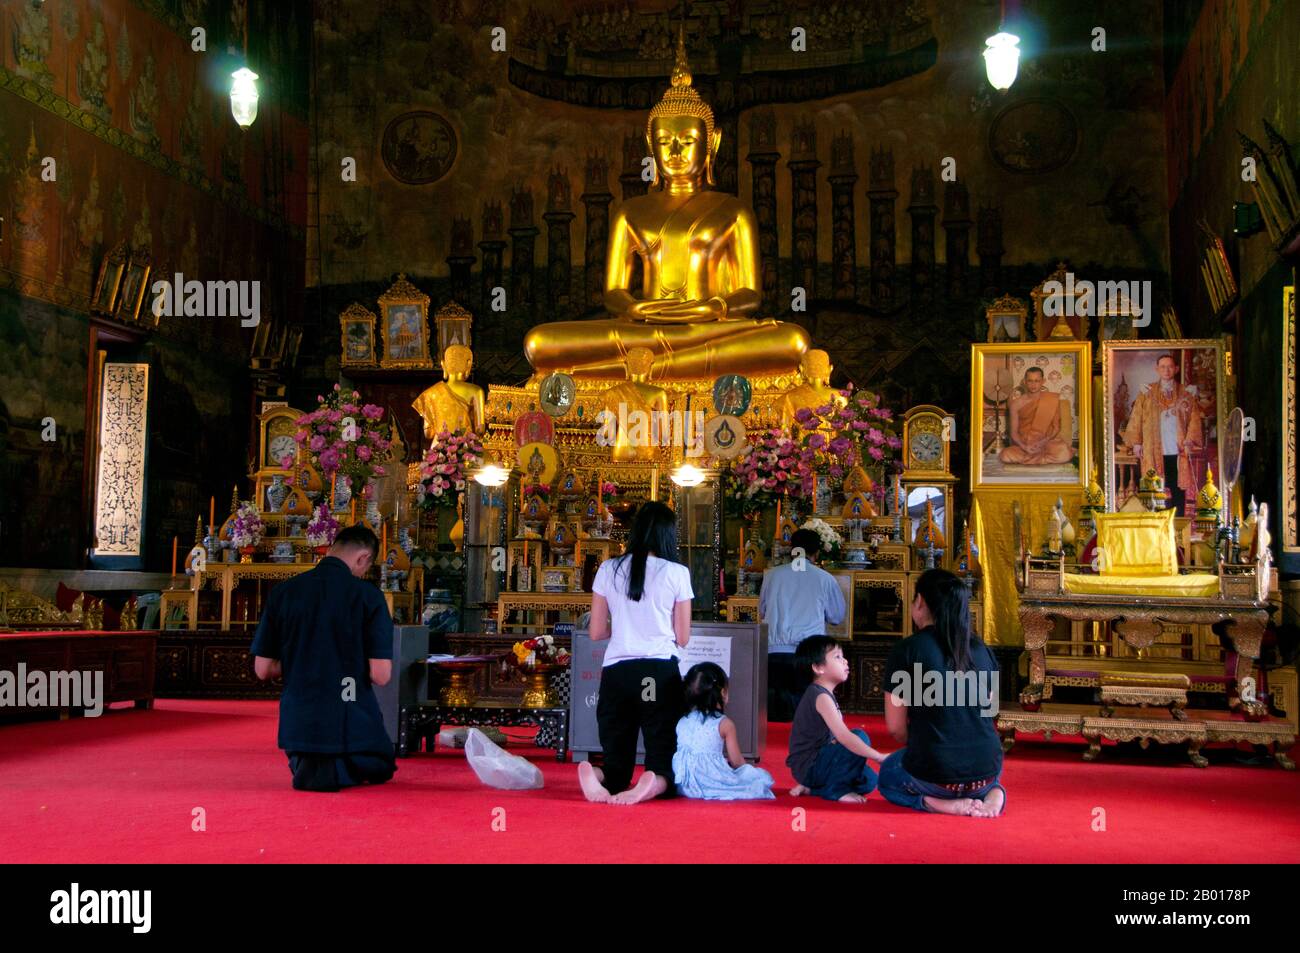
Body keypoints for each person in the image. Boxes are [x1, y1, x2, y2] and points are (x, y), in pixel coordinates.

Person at [251, 525, 396, 792]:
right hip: (349, 717)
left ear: (331, 549)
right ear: (363, 558)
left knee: (315, 758)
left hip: (299, 731)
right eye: (366, 566)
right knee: (382, 762)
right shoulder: (368, 596)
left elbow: (263, 668)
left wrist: (304, 658)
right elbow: (380, 674)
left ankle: (311, 766)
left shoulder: (284, 592)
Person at [579, 501, 693, 805]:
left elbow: (596, 632)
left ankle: (600, 776)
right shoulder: (677, 573)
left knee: (617, 756)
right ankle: (653, 778)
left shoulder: (608, 568)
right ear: (669, 534)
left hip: (617, 672)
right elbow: (682, 637)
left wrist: (626, 628)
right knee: (660, 745)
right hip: (655, 673)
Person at [879, 568, 1006, 817]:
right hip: (986, 768)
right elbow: (991, 711)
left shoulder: (907, 650)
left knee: (888, 773)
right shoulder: (983, 651)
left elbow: (895, 729)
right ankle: (994, 791)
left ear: (920, 602)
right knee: (979, 766)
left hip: (936, 774)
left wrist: (927, 746)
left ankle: (937, 802)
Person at [787, 636, 888, 802]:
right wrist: (878, 756)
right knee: (858, 736)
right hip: (810, 766)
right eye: (837, 657)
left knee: (869, 781)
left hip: (817, 764)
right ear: (818, 667)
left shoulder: (824, 694)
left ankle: (814, 789)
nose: (845, 661)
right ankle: (836, 791)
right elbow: (845, 737)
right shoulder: (820, 696)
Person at [759, 529, 846, 721]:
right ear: (817, 552)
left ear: (791, 549)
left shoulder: (772, 575)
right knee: (803, 713)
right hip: (807, 657)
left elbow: (762, 611)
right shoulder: (824, 578)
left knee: (774, 713)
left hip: (774, 653)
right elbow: (837, 616)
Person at [672, 662, 775, 800]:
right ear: (722, 692)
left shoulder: (682, 721)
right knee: (758, 779)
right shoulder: (724, 724)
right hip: (709, 780)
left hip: (684, 784)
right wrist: (747, 772)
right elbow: (736, 761)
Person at [1122, 352, 1203, 515]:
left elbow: (1194, 419)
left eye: (1170, 367)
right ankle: (1156, 525)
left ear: (1176, 369)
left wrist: (1189, 441)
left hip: (1177, 450)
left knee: (1177, 488)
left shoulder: (1186, 393)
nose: (1166, 370)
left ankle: (1178, 524)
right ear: (1157, 369)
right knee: (1154, 488)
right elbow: (1136, 416)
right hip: (1153, 449)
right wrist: (1137, 442)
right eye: (1163, 367)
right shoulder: (1147, 392)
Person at [998, 366, 1072, 465]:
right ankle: (1040, 459)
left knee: (1064, 452)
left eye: (1037, 381)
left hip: (1047, 442)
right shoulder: (1016, 404)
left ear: (1043, 381)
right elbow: (1014, 433)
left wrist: (1042, 443)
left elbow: (1056, 428)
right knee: (1005, 455)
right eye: (1030, 381)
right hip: (1025, 444)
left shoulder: (1051, 399)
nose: (1033, 384)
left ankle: (1031, 459)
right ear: (1025, 381)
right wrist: (1025, 447)